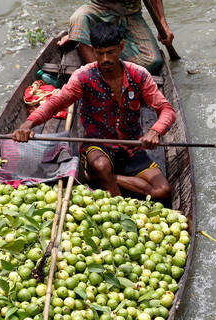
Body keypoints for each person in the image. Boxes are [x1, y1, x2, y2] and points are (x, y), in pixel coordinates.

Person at [11, 21, 175, 200]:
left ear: (121, 48)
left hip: (132, 148)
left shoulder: (139, 74)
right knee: (102, 165)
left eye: (110, 52)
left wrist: (154, 131)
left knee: (163, 191)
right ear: (93, 51)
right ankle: (117, 200)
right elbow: (56, 103)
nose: (105, 59)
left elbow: (166, 109)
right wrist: (28, 124)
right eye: (100, 53)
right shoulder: (84, 76)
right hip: (97, 146)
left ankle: (102, 179)